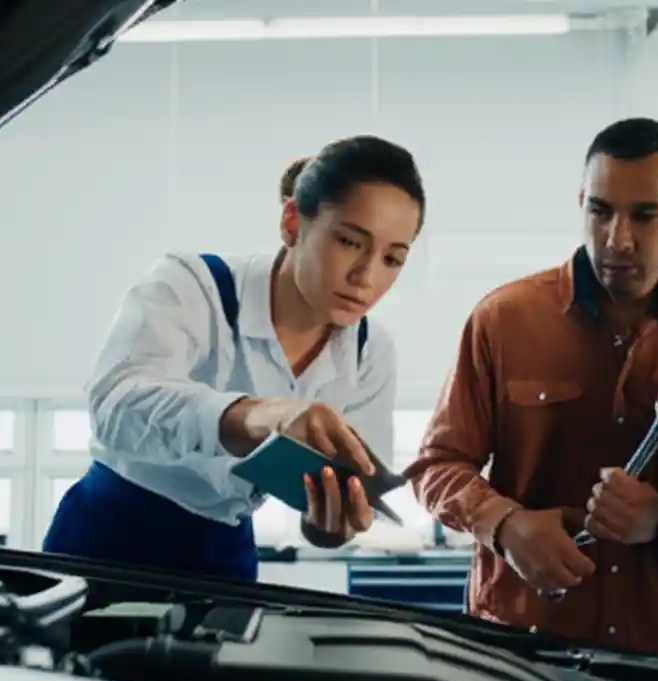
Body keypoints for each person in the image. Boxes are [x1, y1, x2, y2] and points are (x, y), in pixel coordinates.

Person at [43, 135, 426, 581]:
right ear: (292, 223)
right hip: (108, 537)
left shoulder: (370, 350)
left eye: (393, 259)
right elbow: (114, 406)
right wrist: (259, 416)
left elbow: (332, 521)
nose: (366, 277)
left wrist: (329, 524)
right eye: (348, 241)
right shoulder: (191, 285)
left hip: (226, 554)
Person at [407, 118, 658, 659]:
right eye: (600, 211)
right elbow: (435, 468)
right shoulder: (502, 321)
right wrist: (506, 524)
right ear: (581, 205)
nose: (618, 238)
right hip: (521, 650)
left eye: (645, 215)